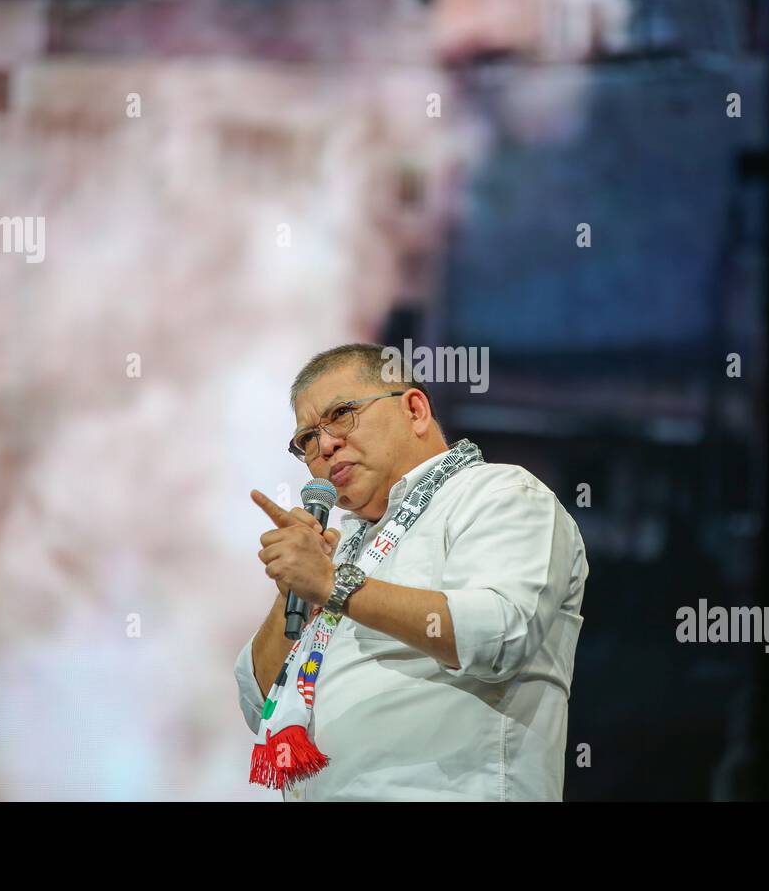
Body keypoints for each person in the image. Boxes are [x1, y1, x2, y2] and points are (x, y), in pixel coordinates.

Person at [234, 343, 588, 800]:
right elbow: (260, 702)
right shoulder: (343, 556)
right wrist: (294, 591)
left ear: (415, 409)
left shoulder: (499, 493)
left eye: (342, 414)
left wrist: (331, 584)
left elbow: (501, 634)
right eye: (307, 439)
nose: (324, 446)